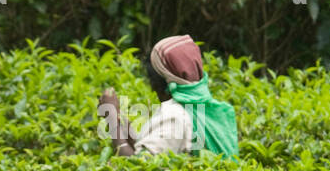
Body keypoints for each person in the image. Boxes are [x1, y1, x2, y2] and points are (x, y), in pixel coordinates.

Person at [97, 34, 238, 159]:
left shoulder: (175, 115)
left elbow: (136, 167)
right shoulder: (211, 109)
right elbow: (147, 144)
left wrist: (111, 118)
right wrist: (119, 116)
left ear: (159, 85)